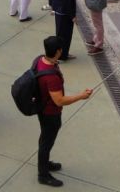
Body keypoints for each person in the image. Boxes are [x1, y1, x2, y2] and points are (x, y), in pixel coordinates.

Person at [35, 36, 93, 187]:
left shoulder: (40, 60)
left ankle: (45, 163)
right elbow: (59, 101)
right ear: (58, 52)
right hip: (50, 113)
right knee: (46, 142)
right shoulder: (51, 77)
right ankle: (43, 175)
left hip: (42, 108)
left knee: (45, 139)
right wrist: (81, 96)